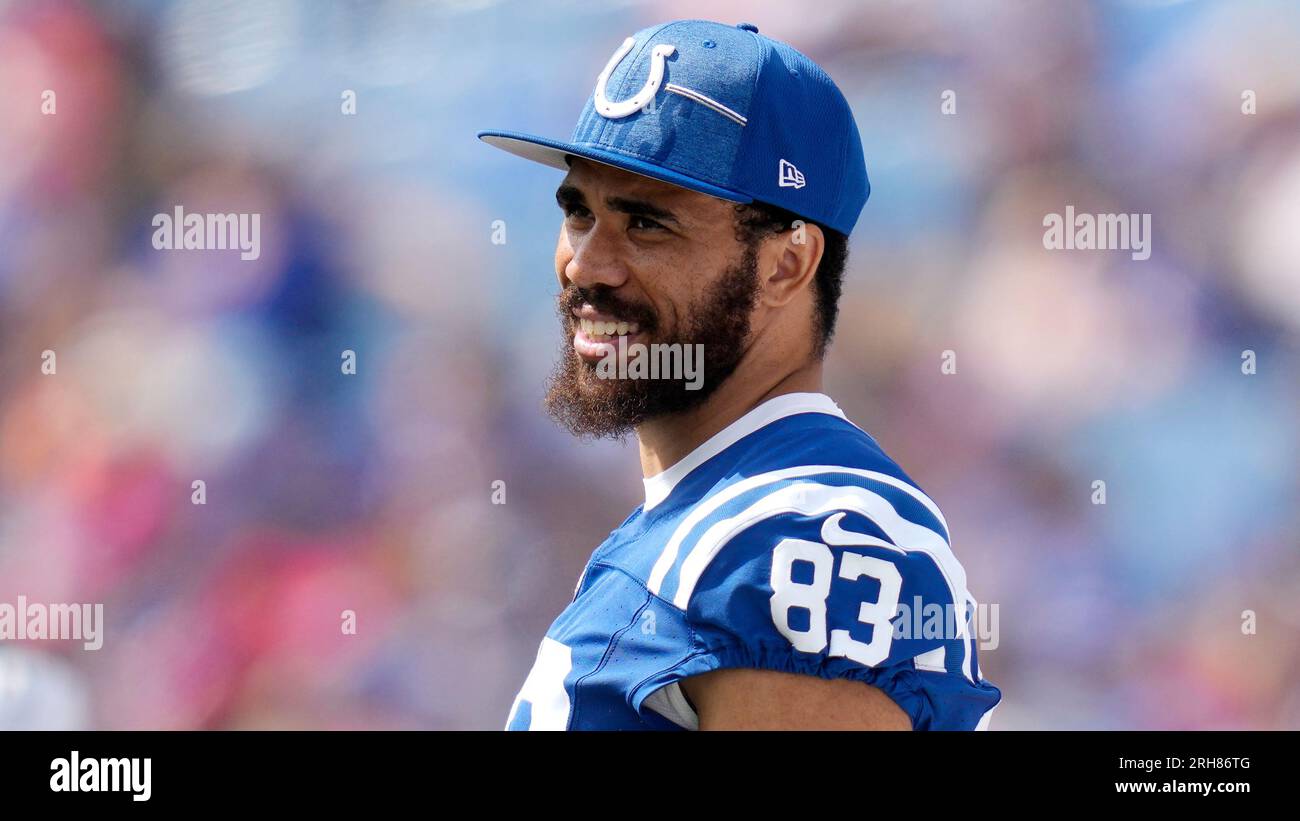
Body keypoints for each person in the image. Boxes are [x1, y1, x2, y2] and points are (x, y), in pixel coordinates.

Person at [479, 19, 1000, 730]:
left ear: (787, 262)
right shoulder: (716, 518)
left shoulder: (799, 528)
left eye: (647, 224)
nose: (587, 265)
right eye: (578, 212)